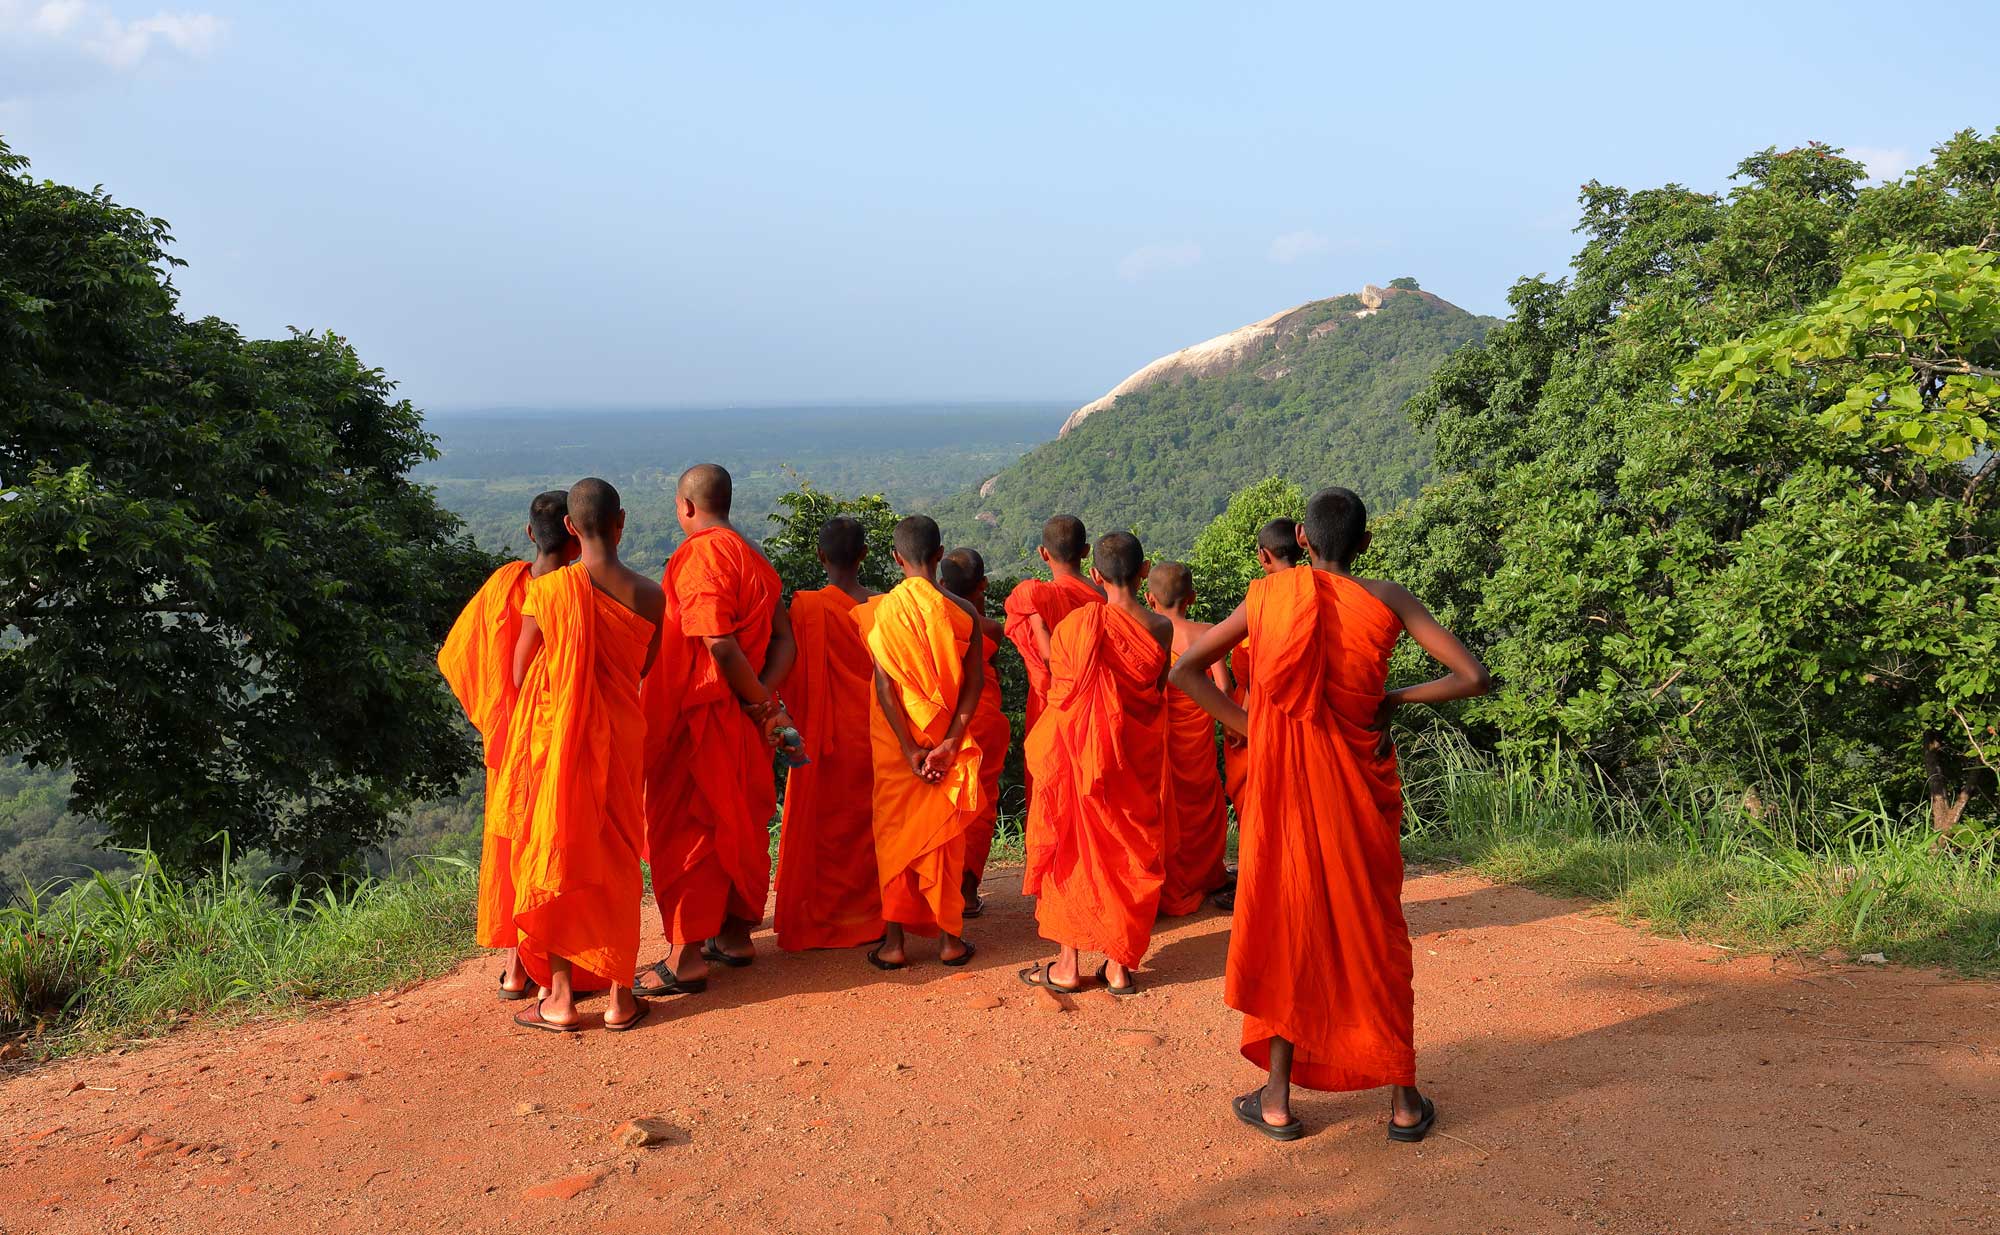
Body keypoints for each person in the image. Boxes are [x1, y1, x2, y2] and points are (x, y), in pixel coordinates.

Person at [1169, 487, 1490, 1143]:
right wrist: (1394, 696)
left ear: (1303, 544)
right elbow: (1471, 675)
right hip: (1358, 797)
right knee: (1373, 934)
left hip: (1286, 795)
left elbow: (1186, 671)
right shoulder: (1388, 597)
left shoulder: (1268, 598)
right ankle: (1403, 1101)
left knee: (1292, 929)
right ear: (1366, 543)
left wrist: (1254, 729)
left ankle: (1279, 1101)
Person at [501, 477, 664, 1033]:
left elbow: (521, 673)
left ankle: (562, 999)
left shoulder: (546, 592)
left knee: (561, 850)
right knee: (619, 855)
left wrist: (564, 697)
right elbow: (640, 669)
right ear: (622, 523)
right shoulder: (651, 594)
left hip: (560, 738)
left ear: (570, 528)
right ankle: (621, 997)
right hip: (620, 734)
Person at [636, 464, 797, 996]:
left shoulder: (701, 556)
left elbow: (718, 643)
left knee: (696, 829)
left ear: (685, 507)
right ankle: (734, 936)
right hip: (743, 718)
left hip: (703, 717)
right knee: (739, 823)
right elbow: (784, 642)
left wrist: (753, 701)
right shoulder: (756, 559)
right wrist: (764, 701)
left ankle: (684, 959)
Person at [437, 490, 578, 1001]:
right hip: (559, 740)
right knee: (552, 849)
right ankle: (550, 969)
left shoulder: (504, 584)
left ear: (529, 534)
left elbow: (459, 656)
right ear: (578, 534)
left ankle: (517, 968)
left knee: (514, 846)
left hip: (510, 739)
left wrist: (493, 715)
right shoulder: (577, 589)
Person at [1019, 531, 1171, 996]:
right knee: (1127, 854)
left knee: (1075, 846)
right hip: (1133, 760)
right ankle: (1119, 966)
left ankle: (1067, 965)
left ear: (1095, 575)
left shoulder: (1076, 627)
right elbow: (1156, 690)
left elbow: (1062, 692)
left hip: (1083, 761)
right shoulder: (1161, 628)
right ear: (1145, 571)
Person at [858, 516, 983, 970]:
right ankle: (951, 941)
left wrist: (910, 749)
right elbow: (974, 683)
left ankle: (894, 945)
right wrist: (950, 742)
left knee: (893, 837)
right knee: (945, 835)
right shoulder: (963, 612)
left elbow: (886, 688)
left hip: (899, 748)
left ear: (895, 559)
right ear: (938, 556)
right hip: (945, 741)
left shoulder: (884, 612)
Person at [771, 516, 884, 952]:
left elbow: (790, 674)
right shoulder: (882, 609)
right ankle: (872, 916)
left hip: (822, 737)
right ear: (864, 556)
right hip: (875, 734)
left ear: (820, 556)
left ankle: (825, 921)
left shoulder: (806, 608)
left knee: (826, 833)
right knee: (868, 829)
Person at [1144, 561, 1231, 917]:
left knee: (1164, 809)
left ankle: (1164, 880)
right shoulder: (1207, 632)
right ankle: (1202, 877)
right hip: (1198, 740)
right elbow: (1223, 689)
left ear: (1149, 599)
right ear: (1192, 598)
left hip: (1160, 738)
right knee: (1202, 807)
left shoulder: (1144, 631)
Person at [1001, 515, 1103, 798]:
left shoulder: (1034, 597)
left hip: (1051, 699)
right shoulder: (1105, 596)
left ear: (1043, 553)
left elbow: (1046, 661)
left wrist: (1037, 615)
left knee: (1052, 779)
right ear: (1086, 551)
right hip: (1097, 700)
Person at [938, 547, 1011, 918]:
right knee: (979, 806)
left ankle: (938, 887)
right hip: (983, 722)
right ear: (982, 584)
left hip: (941, 721)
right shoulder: (991, 628)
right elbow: (987, 673)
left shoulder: (933, 621)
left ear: (941, 584)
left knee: (945, 803)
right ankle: (966, 892)